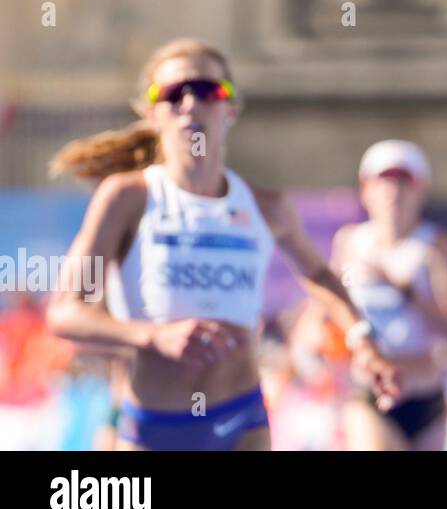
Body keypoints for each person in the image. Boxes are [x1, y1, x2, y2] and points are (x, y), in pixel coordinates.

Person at [46, 38, 399, 450]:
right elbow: (64, 312)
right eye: (174, 94)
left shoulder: (267, 207)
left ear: (231, 108)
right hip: (156, 426)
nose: (191, 104)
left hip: (240, 418)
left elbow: (317, 272)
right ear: (151, 114)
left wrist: (362, 340)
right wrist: (153, 336)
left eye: (209, 90)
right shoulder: (126, 198)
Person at [331, 140, 447, 450]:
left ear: (421, 191)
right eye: (384, 183)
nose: (393, 193)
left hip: (425, 391)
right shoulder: (350, 242)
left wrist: (404, 291)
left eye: (404, 183)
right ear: (366, 190)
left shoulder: (435, 245)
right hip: (370, 389)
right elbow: (330, 305)